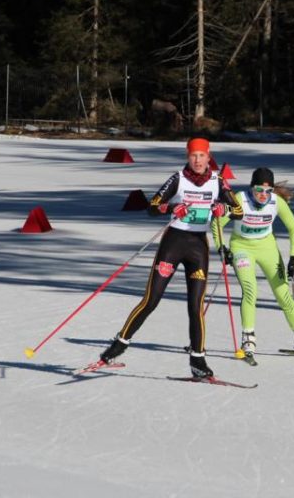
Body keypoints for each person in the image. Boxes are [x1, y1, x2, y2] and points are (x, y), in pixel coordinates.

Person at [97, 137, 243, 378]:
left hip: (198, 248)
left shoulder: (218, 181)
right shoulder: (178, 178)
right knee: (151, 300)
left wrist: (223, 209)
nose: (197, 160)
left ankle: (198, 361)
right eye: (193, 156)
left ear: (209, 157)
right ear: (188, 156)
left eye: (201, 156)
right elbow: (152, 206)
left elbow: (238, 211)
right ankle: (118, 345)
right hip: (173, 244)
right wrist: (171, 208)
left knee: (195, 307)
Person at [214, 167, 294, 363]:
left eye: (267, 191)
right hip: (241, 247)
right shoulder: (239, 200)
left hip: (267, 248)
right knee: (250, 290)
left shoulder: (276, 202)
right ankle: (248, 339)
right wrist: (221, 247)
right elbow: (217, 224)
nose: (263, 195)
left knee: (283, 294)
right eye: (258, 190)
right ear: (251, 188)